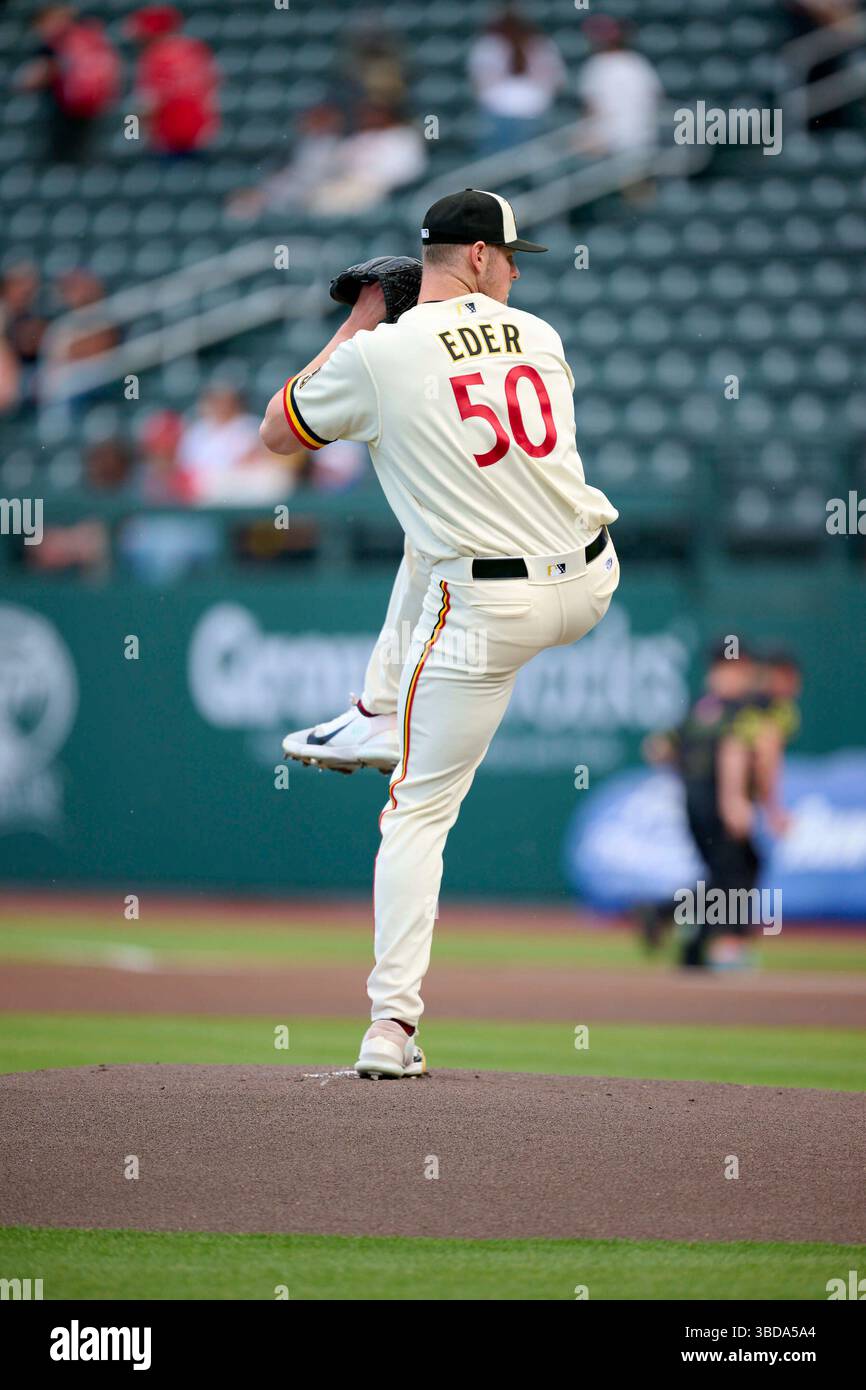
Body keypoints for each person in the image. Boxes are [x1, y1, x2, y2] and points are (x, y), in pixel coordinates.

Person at [261, 188, 620, 1079]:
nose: (512, 272)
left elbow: (279, 432)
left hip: (487, 612)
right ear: (474, 257)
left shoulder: (384, 353)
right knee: (435, 520)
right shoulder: (540, 334)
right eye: (507, 256)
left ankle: (392, 1028)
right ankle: (376, 707)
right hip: (594, 577)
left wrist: (361, 319)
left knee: (418, 812)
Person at [18, 6, 120, 163]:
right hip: (73, 109)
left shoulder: (70, 42)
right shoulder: (80, 39)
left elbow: (30, 79)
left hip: (72, 110)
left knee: (73, 156)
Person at [468, 6, 566, 154]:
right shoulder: (489, 45)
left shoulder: (541, 45)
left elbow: (556, 80)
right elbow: (480, 82)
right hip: (501, 109)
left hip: (533, 107)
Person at [127, 5, 219, 156]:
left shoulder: (154, 56)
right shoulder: (194, 49)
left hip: (168, 137)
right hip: (201, 133)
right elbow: (212, 89)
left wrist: (135, 131)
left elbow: (147, 104)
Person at [577, 18, 663, 157]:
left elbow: (591, 108)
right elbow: (656, 97)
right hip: (641, 134)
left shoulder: (597, 65)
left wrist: (586, 134)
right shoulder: (638, 62)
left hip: (609, 138)